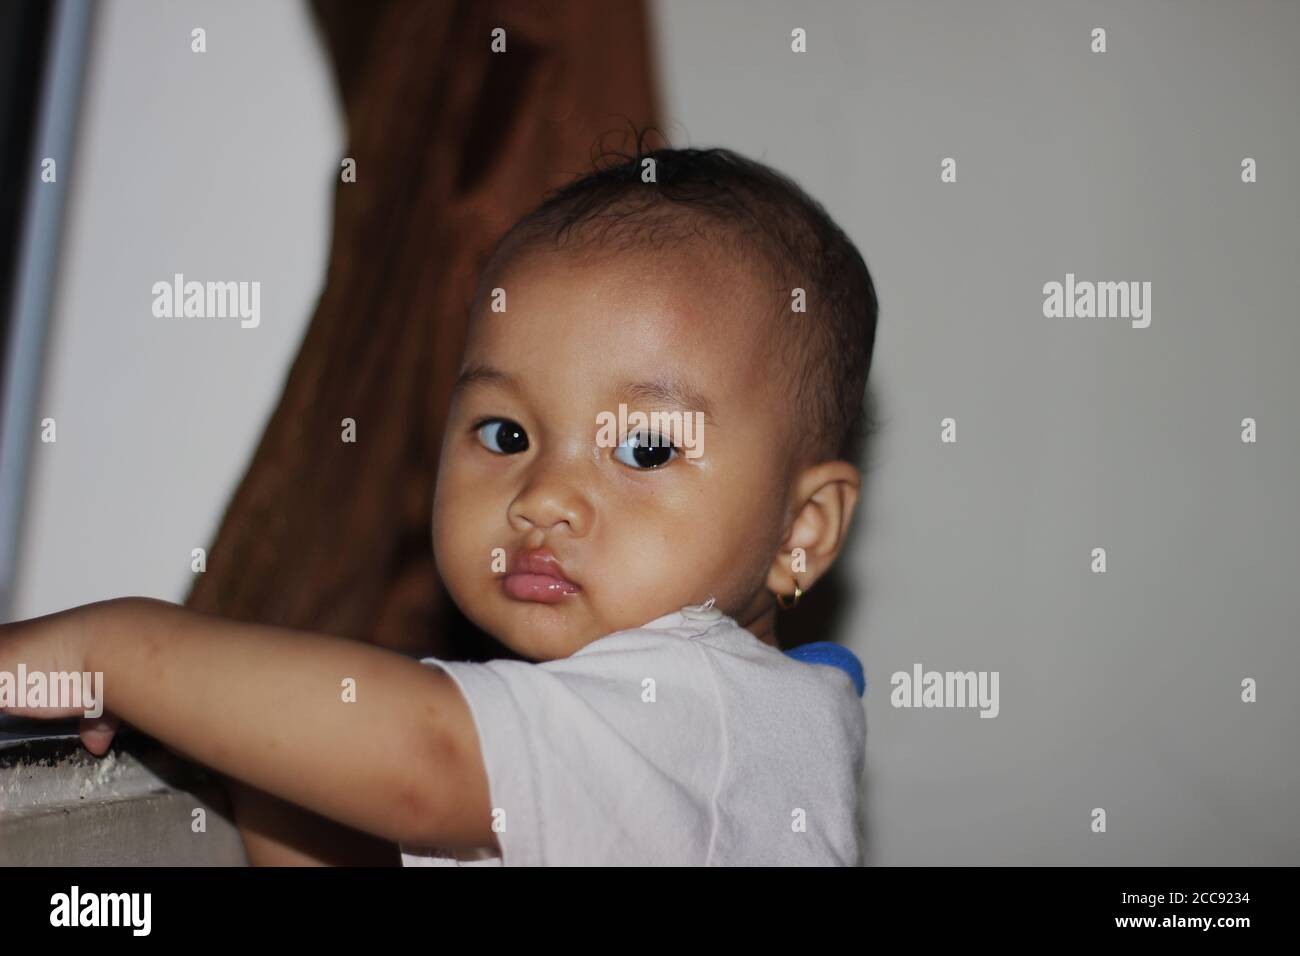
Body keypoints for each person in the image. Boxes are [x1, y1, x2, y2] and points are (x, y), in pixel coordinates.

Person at [0, 144, 879, 865]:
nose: (542, 499)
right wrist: (238, 741)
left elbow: (422, 762)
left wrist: (110, 646)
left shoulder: (708, 713)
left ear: (802, 532)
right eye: (506, 436)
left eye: (642, 447)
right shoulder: (642, 756)